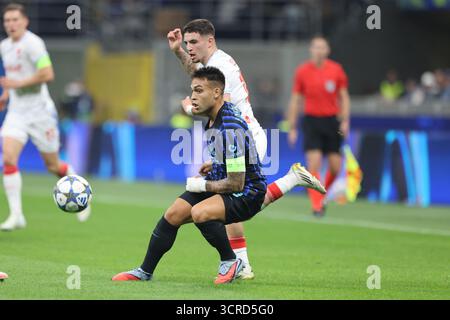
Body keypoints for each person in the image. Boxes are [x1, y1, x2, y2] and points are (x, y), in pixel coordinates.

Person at [112, 67, 322, 284]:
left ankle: (230, 261)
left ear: (216, 93)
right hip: (224, 180)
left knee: (200, 213)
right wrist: (214, 163)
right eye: (192, 90)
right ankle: (144, 271)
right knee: (173, 213)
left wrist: (201, 186)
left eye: (199, 90)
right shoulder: (215, 113)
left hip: (247, 193)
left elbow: (237, 183)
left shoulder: (230, 128)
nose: (193, 96)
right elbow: (232, 152)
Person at [165, 19, 325, 279]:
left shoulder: (221, 66)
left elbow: (220, 111)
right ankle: (243, 264)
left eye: (193, 42)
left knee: (233, 203)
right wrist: (177, 51)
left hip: (245, 139)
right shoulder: (213, 63)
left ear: (210, 40)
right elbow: (195, 73)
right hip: (236, 140)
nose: (189, 47)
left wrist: (188, 109)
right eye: (186, 43)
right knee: (232, 206)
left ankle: (241, 262)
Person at [0, 3, 90, 231]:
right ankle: (17, 214)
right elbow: (14, 75)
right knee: (9, 159)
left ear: (25, 21)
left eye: (15, 20)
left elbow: (47, 73)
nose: (10, 24)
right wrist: (7, 94)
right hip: (17, 112)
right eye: (7, 20)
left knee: (52, 165)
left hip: (40, 113)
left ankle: (78, 186)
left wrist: (16, 84)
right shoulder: (4, 47)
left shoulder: (33, 44)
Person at [287, 35, 350, 217]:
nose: (319, 50)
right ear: (311, 50)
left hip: (332, 122)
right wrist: (292, 127)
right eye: (316, 47)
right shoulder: (302, 71)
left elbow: (344, 97)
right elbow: (296, 99)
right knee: (313, 163)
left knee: (336, 167)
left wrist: (345, 120)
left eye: (322, 47)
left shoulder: (336, 70)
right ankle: (316, 206)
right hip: (312, 121)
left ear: (328, 50)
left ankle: (321, 196)